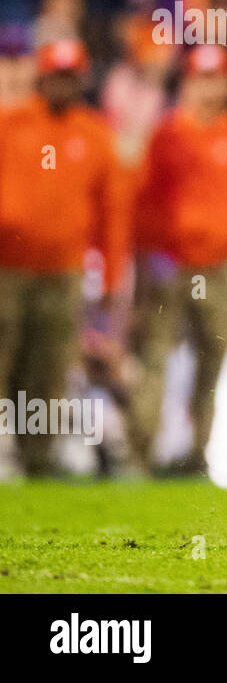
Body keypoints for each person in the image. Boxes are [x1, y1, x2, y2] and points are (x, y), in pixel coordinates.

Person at [129, 44, 227, 473]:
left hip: (221, 267)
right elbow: (145, 202)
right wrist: (150, 259)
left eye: (216, 78)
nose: (209, 88)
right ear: (187, 82)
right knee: (156, 356)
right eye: (201, 78)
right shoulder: (168, 135)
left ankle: (199, 450)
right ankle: (140, 452)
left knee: (214, 357)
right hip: (174, 264)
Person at [0, 39, 129, 475]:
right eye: (56, 76)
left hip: (64, 270)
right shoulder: (9, 123)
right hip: (8, 268)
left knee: (51, 368)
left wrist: (110, 277)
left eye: (70, 77)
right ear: (42, 77)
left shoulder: (94, 134)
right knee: (4, 359)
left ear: (82, 79)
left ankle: (38, 458)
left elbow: (112, 213)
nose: (62, 85)